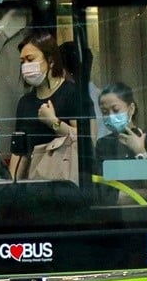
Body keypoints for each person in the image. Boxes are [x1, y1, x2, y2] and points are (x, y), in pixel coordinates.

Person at [11, 31, 91, 177]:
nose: (26, 66)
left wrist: (54, 122)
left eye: (31, 59)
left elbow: (87, 141)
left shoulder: (73, 93)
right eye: (22, 62)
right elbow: (20, 153)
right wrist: (12, 185)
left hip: (67, 181)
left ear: (51, 60)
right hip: (35, 182)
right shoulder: (25, 103)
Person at [95, 82, 147, 163]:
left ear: (131, 109)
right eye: (105, 112)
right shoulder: (103, 144)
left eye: (116, 110)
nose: (111, 116)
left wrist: (141, 152)